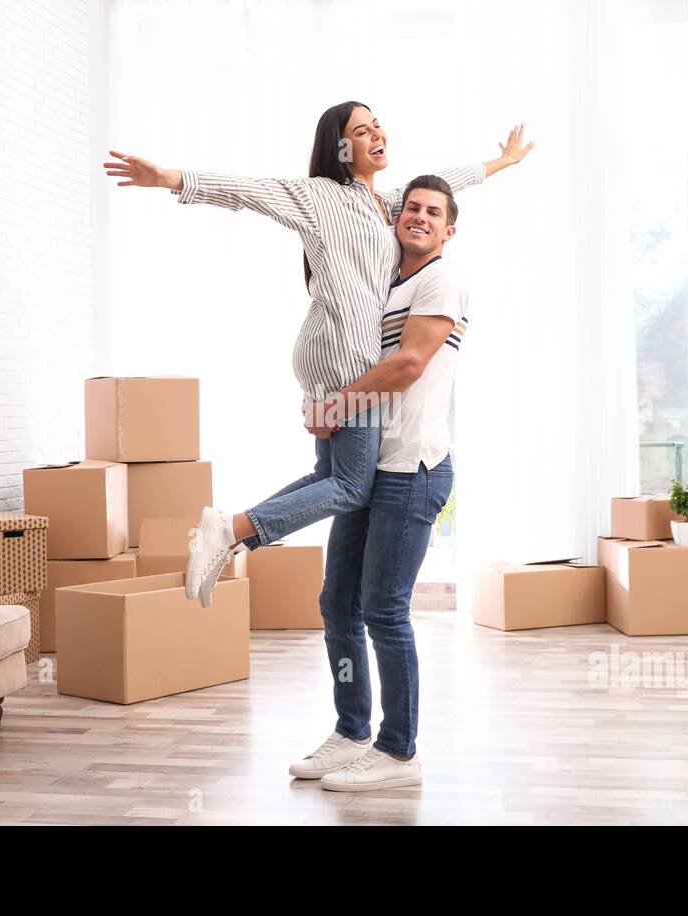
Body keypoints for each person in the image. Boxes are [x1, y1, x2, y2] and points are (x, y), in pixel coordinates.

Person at [103, 104, 532, 605]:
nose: (376, 134)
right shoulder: (319, 196)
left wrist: (502, 162)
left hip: (340, 350)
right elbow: (249, 191)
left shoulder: (388, 205)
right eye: (361, 130)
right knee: (352, 487)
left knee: (332, 479)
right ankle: (231, 530)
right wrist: (171, 178)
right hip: (342, 352)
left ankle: (222, 531)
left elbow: (443, 186)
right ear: (340, 147)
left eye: (378, 125)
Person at [287, 175, 470, 791]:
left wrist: (336, 403)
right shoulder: (388, 284)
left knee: (384, 611)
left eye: (433, 212)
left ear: (448, 229)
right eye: (412, 207)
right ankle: (351, 729)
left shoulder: (441, 279)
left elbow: (409, 363)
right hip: (365, 466)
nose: (419, 216)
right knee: (338, 603)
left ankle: (399, 752)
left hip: (411, 471)